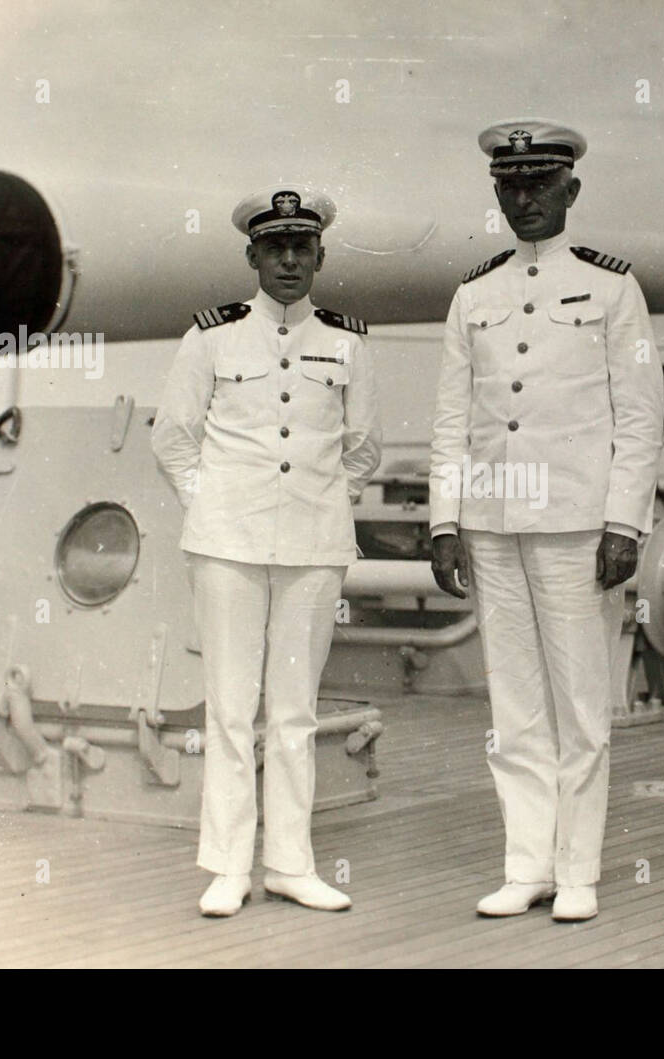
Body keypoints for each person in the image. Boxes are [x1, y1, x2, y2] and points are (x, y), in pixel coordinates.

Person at [429, 119, 664, 922]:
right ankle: (525, 862)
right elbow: (452, 418)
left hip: (575, 521)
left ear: (571, 188)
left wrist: (626, 522)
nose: (524, 198)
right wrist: (443, 520)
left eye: (539, 184)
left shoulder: (611, 288)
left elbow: (640, 415)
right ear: (497, 191)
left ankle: (580, 871)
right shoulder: (474, 293)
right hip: (492, 522)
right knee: (515, 704)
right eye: (510, 185)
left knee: (580, 704)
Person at [152, 185, 381, 917]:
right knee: (227, 707)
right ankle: (226, 865)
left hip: (313, 546)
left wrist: (317, 501)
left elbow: (364, 448)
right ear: (252, 254)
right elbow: (173, 437)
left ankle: (289, 862)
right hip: (227, 544)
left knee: (294, 710)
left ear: (319, 255)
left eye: (301, 246)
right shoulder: (212, 336)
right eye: (274, 246)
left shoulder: (347, 340)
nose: (289, 258)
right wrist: (212, 503)